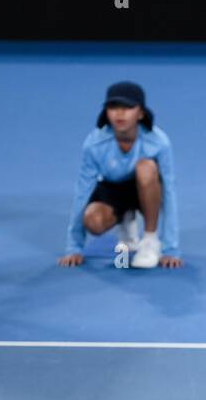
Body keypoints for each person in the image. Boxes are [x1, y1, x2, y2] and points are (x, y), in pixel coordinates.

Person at [58, 81, 181, 270]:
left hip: (147, 191)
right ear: (106, 112)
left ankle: (149, 241)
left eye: (127, 107)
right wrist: (74, 247)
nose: (119, 113)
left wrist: (170, 249)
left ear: (140, 113)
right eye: (113, 107)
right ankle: (125, 218)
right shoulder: (94, 144)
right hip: (113, 191)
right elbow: (83, 191)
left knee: (146, 168)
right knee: (93, 221)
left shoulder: (159, 142)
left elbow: (169, 192)